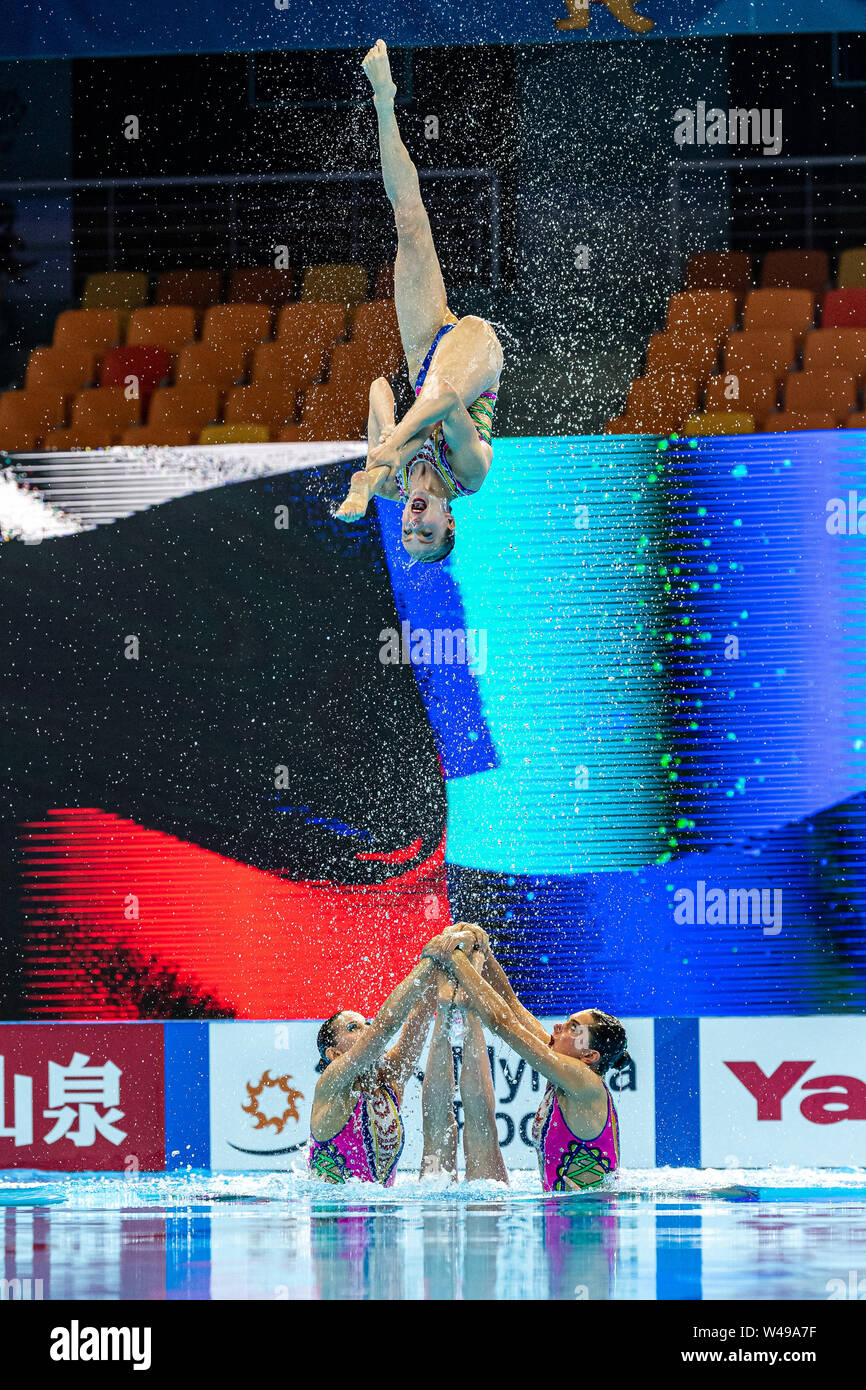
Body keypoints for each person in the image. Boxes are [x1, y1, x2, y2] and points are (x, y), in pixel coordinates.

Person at [335, 39, 503, 565]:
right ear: (447, 519)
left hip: (426, 355)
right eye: (427, 532)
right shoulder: (470, 474)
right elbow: (451, 400)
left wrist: (376, 457)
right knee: (435, 388)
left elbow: (379, 388)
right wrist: (392, 446)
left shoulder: (395, 482)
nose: (414, 522)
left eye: (408, 532)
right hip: (475, 355)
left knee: (409, 224)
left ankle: (383, 98)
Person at [426, 927, 631, 1191]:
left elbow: (502, 1023)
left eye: (573, 1028)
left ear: (590, 1056)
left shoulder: (584, 1082)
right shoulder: (566, 1067)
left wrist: (454, 957)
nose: (558, 1027)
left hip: (586, 1221)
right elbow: (511, 1005)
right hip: (565, 1219)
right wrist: (482, 951)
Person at [308, 956, 437, 1184]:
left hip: (383, 1213)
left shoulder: (388, 1082)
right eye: (353, 1028)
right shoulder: (332, 1087)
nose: (367, 1029)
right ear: (334, 1054)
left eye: (366, 1023)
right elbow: (383, 1029)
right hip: (332, 1214)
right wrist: (429, 959)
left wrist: (442, 967)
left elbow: (420, 1018)